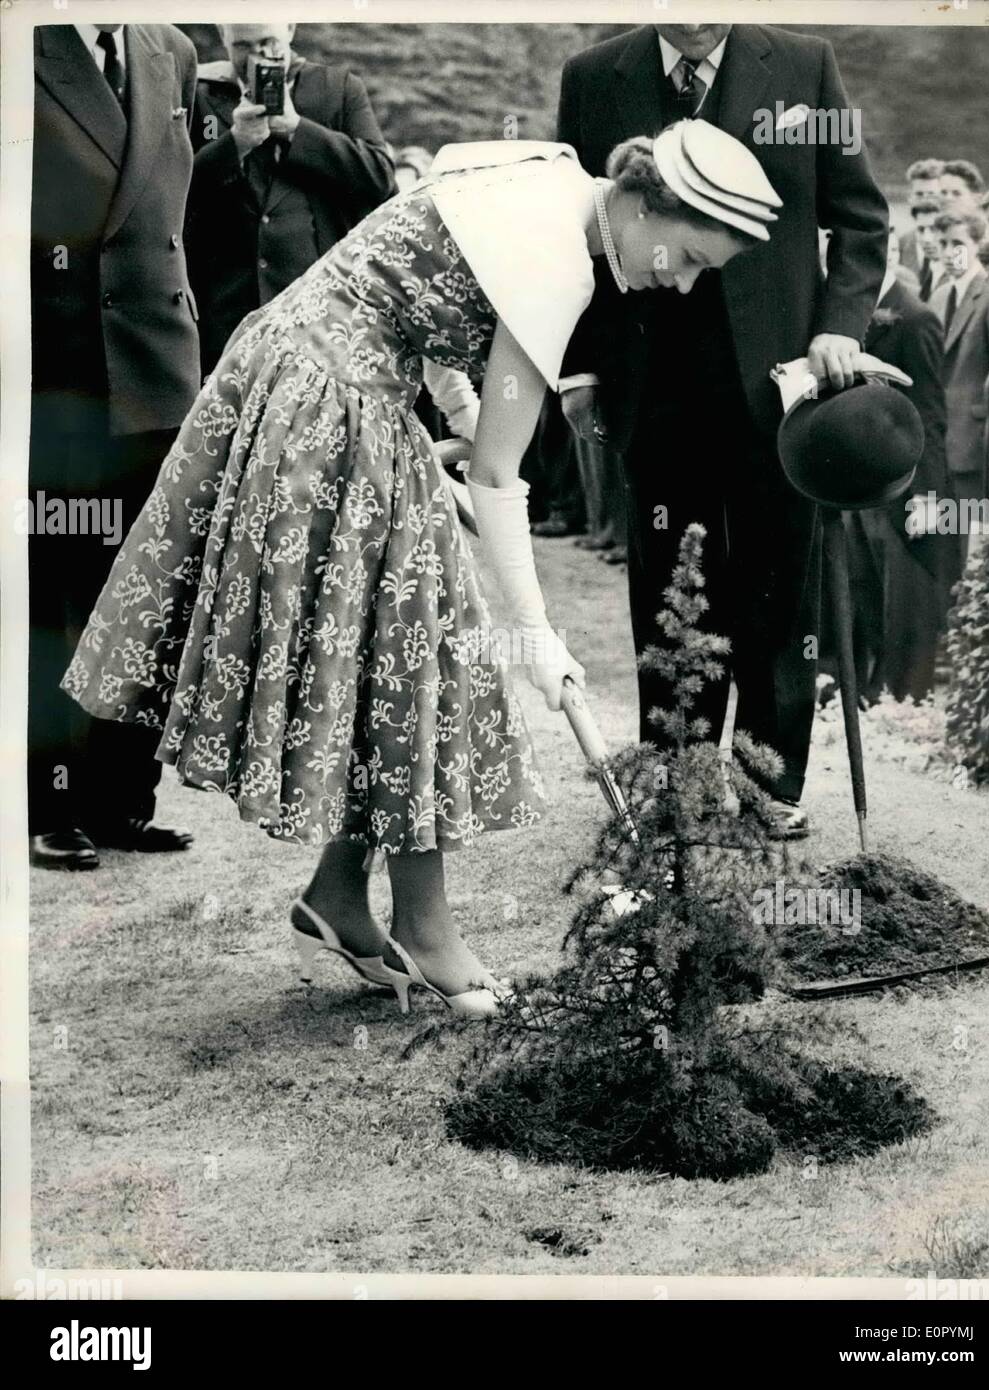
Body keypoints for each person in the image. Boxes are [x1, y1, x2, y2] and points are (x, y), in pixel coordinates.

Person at [60, 124, 776, 1016]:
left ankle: (338, 896)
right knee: (422, 660)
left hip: (294, 367)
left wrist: (467, 408)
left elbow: (427, 289)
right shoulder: (561, 268)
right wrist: (536, 638)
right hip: (337, 408)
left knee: (389, 654)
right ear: (640, 202)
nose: (682, 280)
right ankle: (428, 932)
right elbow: (498, 479)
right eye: (690, 255)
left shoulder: (540, 167)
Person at [556, 21, 889, 839]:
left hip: (780, 381)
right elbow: (582, 228)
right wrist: (585, 365)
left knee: (777, 584)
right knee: (671, 583)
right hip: (653, 382)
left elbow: (860, 219)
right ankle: (679, 775)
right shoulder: (596, 73)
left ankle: (764, 774)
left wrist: (839, 325)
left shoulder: (806, 66)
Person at [29, 21, 201, 870]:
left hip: (160, 369)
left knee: (150, 596)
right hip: (58, 377)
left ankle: (124, 802)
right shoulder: (24, 42)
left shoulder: (172, 50)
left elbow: (182, 215)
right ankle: (50, 803)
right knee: (61, 600)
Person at [185, 22, 395, 375]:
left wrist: (297, 128)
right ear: (223, 39)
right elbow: (175, 188)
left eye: (268, 42)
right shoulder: (198, 93)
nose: (257, 57)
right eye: (243, 46)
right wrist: (234, 144)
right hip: (224, 313)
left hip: (321, 310)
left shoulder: (338, 88)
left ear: (290, 30)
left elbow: (378, 176)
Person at [840, 225, 952, 702]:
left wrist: (925, 494)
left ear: (886, 250)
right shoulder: (844, 312)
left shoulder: (916, 317)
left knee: (903, 595)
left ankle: (905, 691)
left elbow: (930, 413)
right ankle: (872, 686)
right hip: (859, 479)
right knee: (866, 586)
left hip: (904, 480)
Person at [930, 209, 989, 565]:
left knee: (971, 546)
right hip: (938, 443)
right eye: (943, 243)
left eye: (957, 243)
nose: (948, 251)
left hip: (973, 447)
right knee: (945, 550)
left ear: (978, 245)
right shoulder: (940, 295)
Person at [898, 158, 944, 273]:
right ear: (910, 198)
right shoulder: (899, 244)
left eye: (932, 194)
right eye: (919, 194)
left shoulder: (959, 243)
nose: (925, 200)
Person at [910, 197, 945, 303]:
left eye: (933, 229)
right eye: (921, 230)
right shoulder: (930, 269)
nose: (927, 238)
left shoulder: (958, 270)